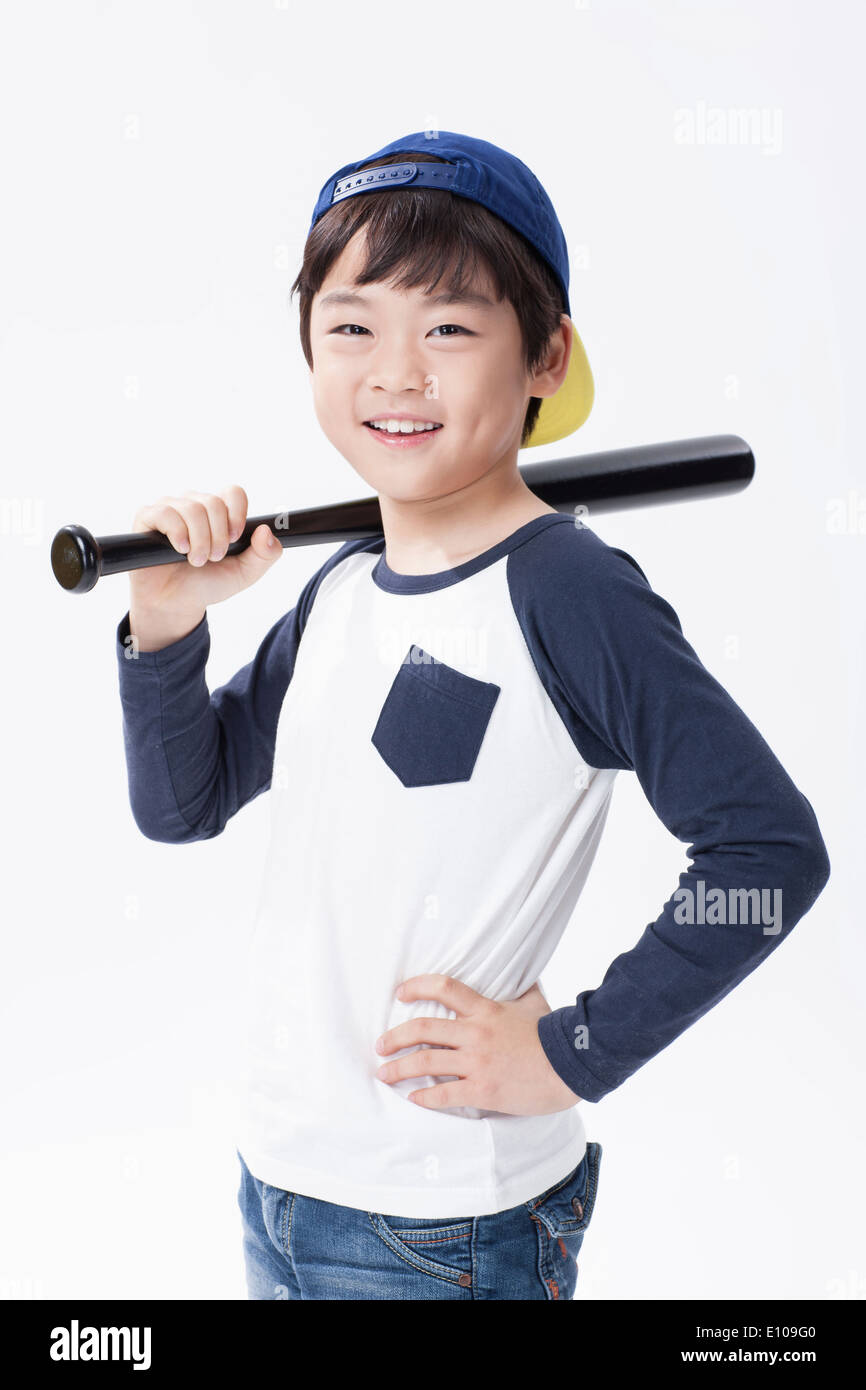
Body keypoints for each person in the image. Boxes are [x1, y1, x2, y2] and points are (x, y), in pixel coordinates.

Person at [115, 131, 831, 1301]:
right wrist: (165, 623)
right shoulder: (341, 583)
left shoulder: (566, 591)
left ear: (546, 354)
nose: (396, 373)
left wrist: (575, 1047)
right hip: (281, 1180)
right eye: (352, 328)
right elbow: (182, 806)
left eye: (447, 327)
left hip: (444, 1225)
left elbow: (770, 851)